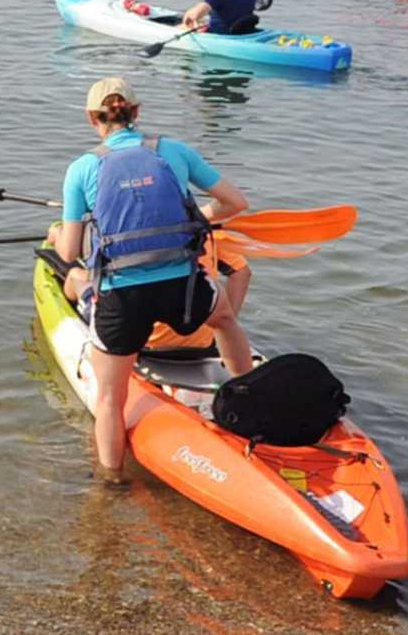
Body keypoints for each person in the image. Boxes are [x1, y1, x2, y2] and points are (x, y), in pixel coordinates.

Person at [44, 76, 254, 480]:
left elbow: (69, 253)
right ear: (137, 114)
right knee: (225, 318)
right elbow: (235, 203)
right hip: (184, 289)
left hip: (123, 300)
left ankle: (111, 483)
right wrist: (195, 220)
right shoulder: (174, 150)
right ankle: (247, 390)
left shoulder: (82, 168)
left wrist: (60, 234)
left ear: (93, 119)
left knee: (108, 398)